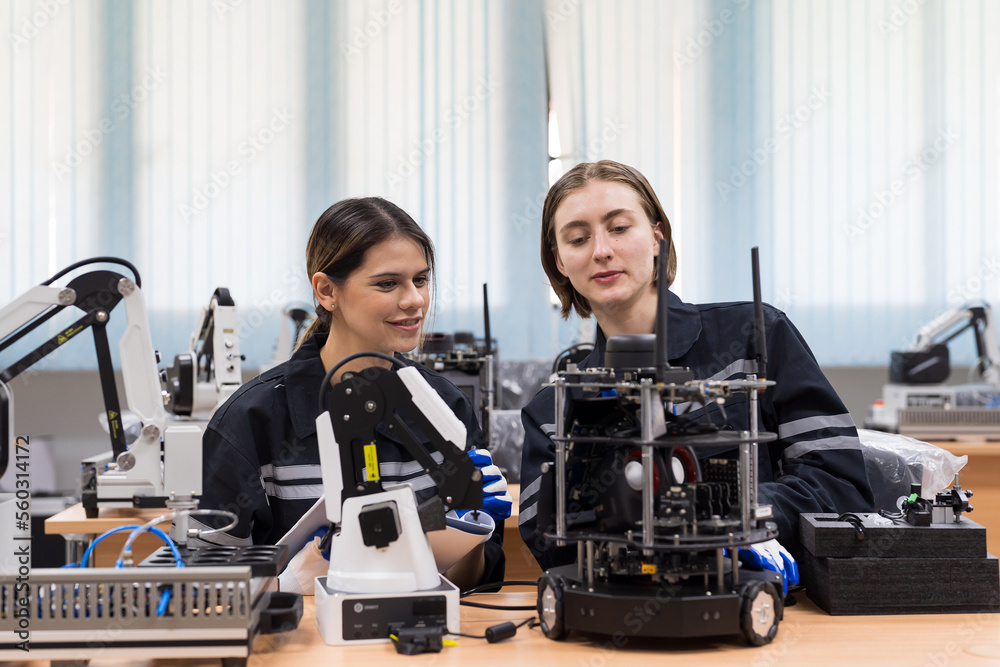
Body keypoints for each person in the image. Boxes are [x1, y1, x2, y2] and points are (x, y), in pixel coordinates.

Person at [518, 160, 874, 573]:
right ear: (560, 262)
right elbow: (549, 543)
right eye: (578, 239)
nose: (601, 251)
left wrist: (741, 520)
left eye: (619, 228)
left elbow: (840, 484)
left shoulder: (754, 337)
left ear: (657, 238)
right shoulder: (552, 410)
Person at [192, 197, 508, 591]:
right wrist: (297, 581)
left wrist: (473, 529)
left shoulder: (446, 405)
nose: (414, 299)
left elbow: (469, 588)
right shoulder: (249, 421)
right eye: (388, 283)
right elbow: (203, 590)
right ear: (327, 291)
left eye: (421, 280)